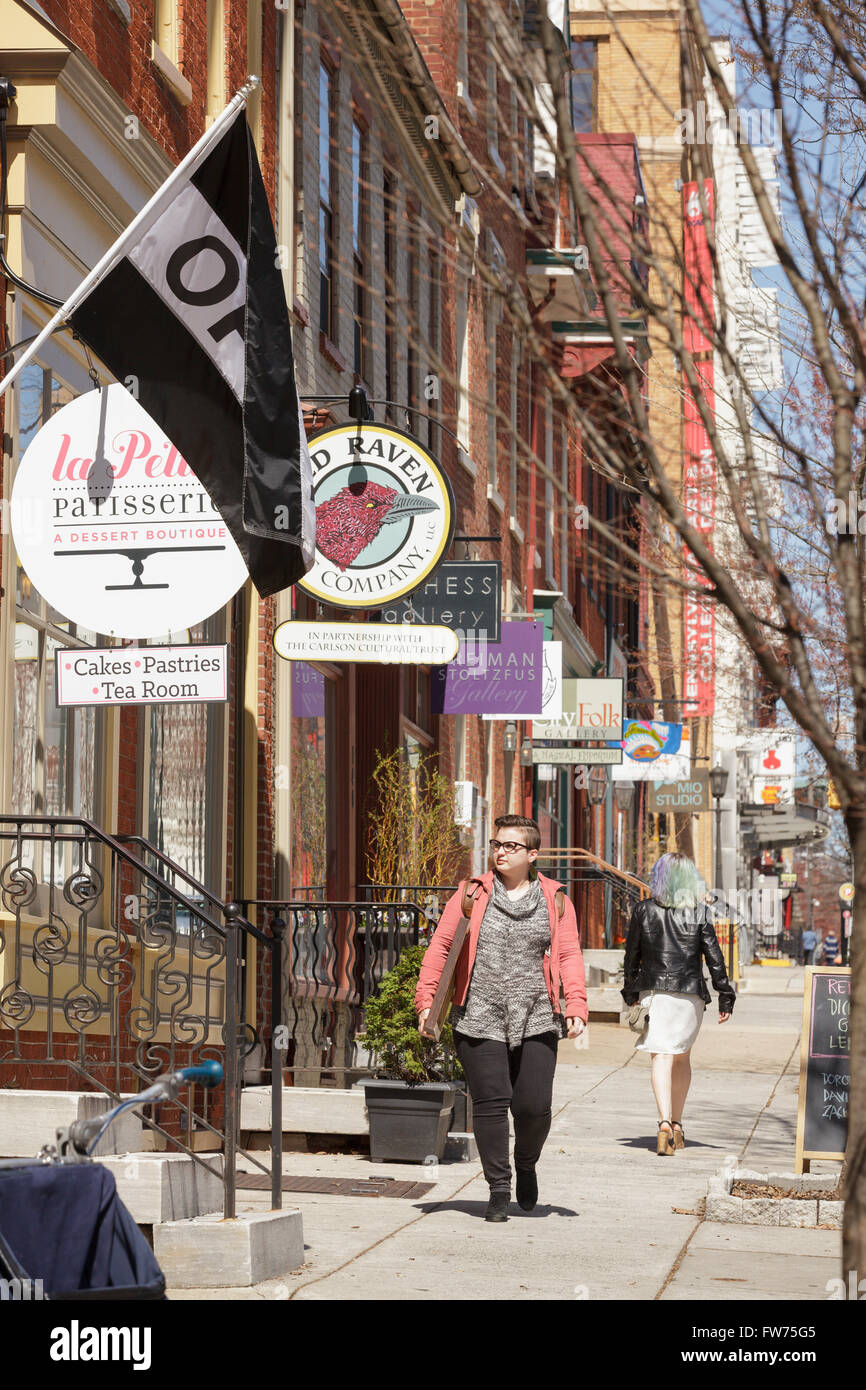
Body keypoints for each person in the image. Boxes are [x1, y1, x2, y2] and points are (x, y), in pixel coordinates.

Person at [415, 814, 587, 1223]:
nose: (501, 851)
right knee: (490, 1105)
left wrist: (577, 1004)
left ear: (532, 854)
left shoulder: (556, 899)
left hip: (537, 1015)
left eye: (510, 846)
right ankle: (498, 1186)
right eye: (496, 844)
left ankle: (526, 1163)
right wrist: (426, 1000)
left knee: (534, 1107)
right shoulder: (471, 894)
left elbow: (569, 954)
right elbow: (440, 948)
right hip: (478, 1012)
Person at [622, 852, 736, 1156]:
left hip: (655, 992)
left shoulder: (643, 910)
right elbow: (714, 957)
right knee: (682, 1057)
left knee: (660, 1056)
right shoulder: (698, 912)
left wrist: (629, 992)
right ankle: (678, 1123)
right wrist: (725, 993)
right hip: (689, 993)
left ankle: (663, 1124)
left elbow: (631, 955)